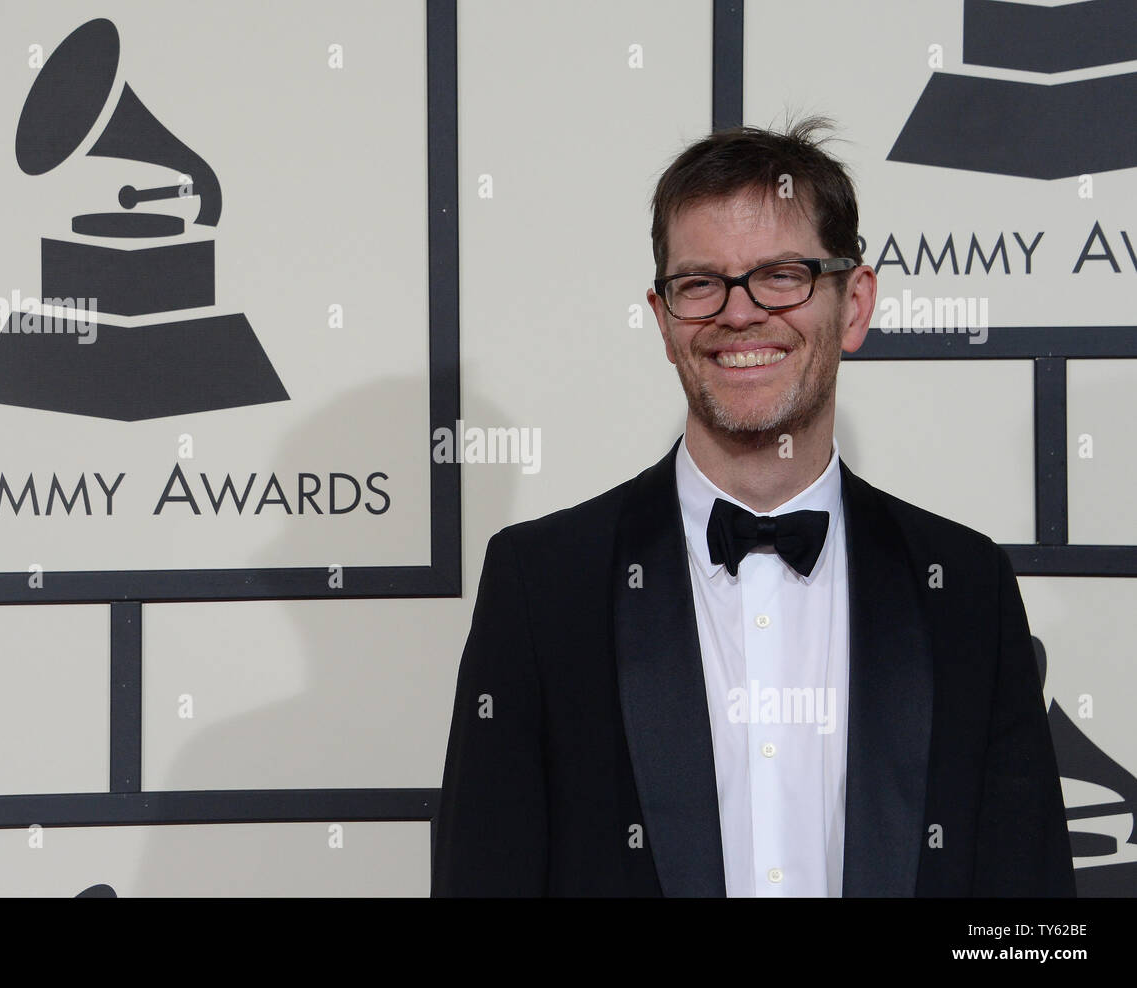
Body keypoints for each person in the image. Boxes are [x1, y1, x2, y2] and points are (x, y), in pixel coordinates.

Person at [430, 118, 1075, 897]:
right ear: (665, 320)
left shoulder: (965, 585)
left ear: (855, 302)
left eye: (782, 275)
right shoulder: (542, 584)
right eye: (700, 283)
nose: (739, 314)